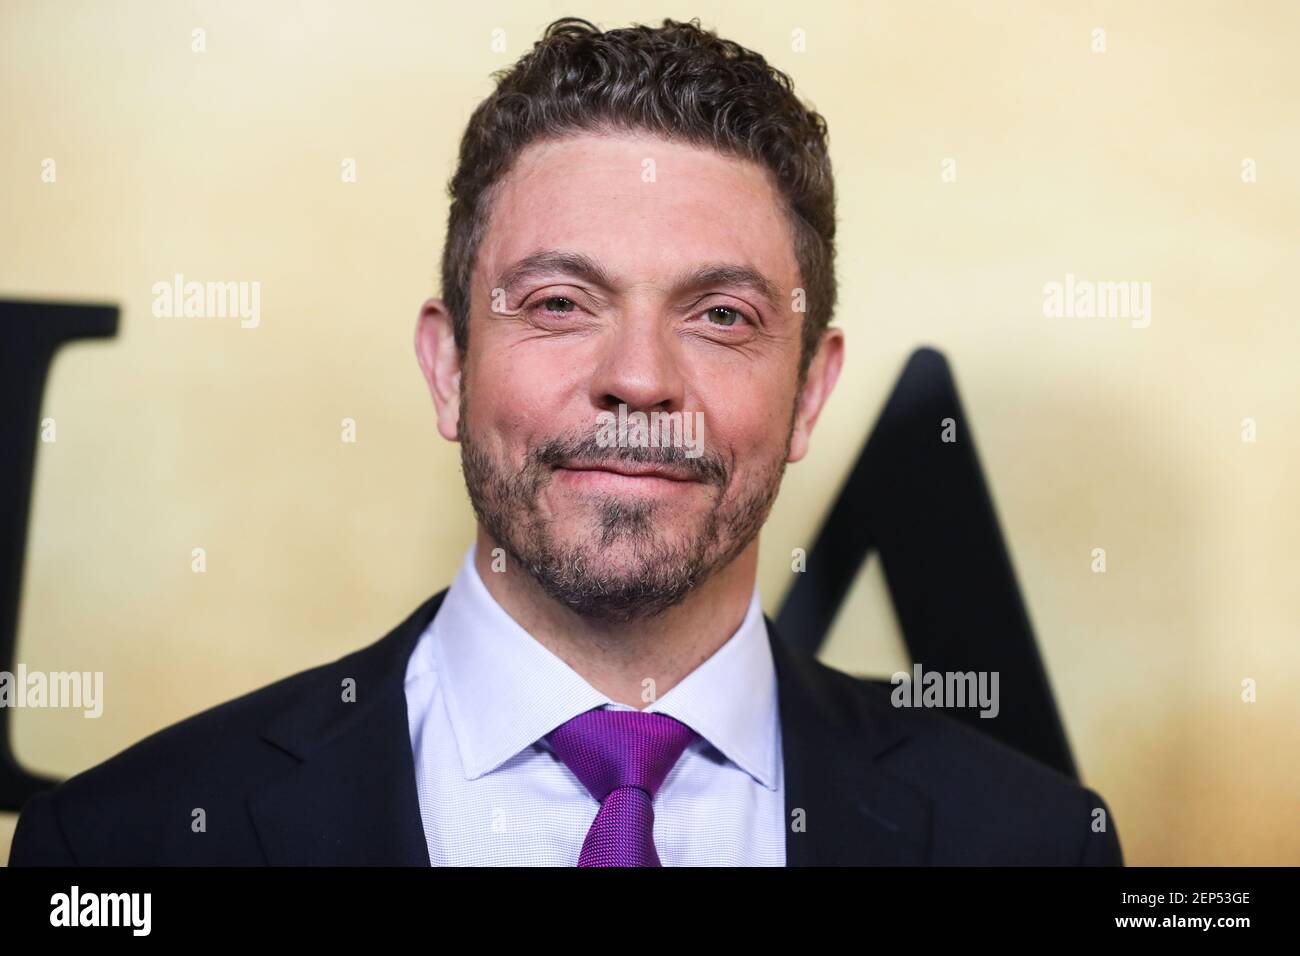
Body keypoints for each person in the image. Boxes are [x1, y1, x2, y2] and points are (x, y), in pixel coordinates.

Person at [8, 16, 1121, 866]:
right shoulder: (123, 844)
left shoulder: (1030, 845)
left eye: (720, 315)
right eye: (558, 303)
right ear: (448, 366)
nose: (639, 377)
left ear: (810, 393)